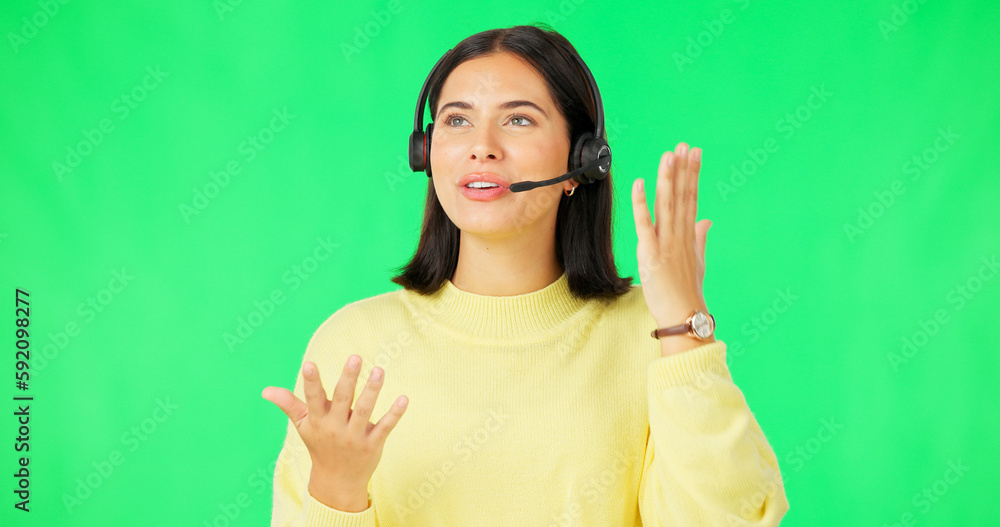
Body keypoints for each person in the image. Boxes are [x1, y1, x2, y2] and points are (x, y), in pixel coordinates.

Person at [261, 23, 789, 526]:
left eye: (518, 119)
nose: (481, 145)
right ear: (425, 153)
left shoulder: (653, 333)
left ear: (582, 162)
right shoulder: (351, 344)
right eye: (457, 120)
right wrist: (338, 491)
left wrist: (684, 326)